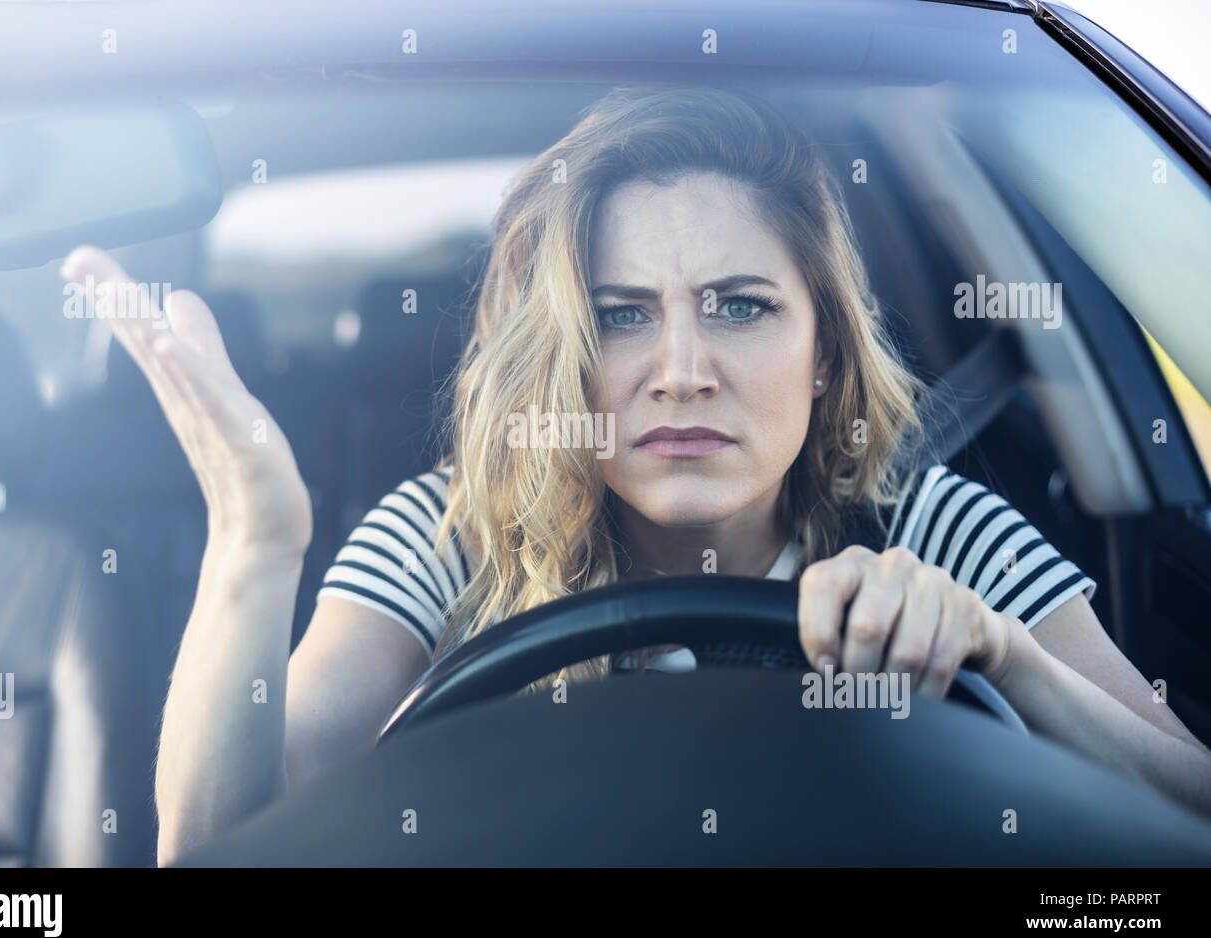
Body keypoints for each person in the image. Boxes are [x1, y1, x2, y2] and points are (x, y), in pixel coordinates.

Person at [61, 84, 1211, 867]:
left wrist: (996, 653)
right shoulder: (445, 534)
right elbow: (216, 849)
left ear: (823, 355)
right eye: (620, 317)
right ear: (560, 350)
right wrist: (255, 542)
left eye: (741, 307)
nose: (680, 371)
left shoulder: (933, 527)